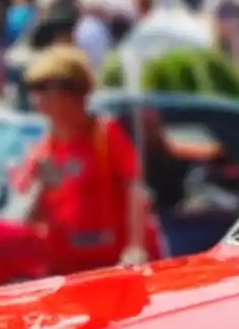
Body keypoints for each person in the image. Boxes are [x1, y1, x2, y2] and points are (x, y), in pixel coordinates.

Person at [16, 45, 159, 274]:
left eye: (45, 88)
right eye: (35, 88)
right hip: (66, 269)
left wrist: (136, 246)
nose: (37, 97)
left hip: (114, 264)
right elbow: (28, 218)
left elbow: (135, 189)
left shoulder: (105, 134)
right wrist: (40, 187)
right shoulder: (44, 148)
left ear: (75, 92)